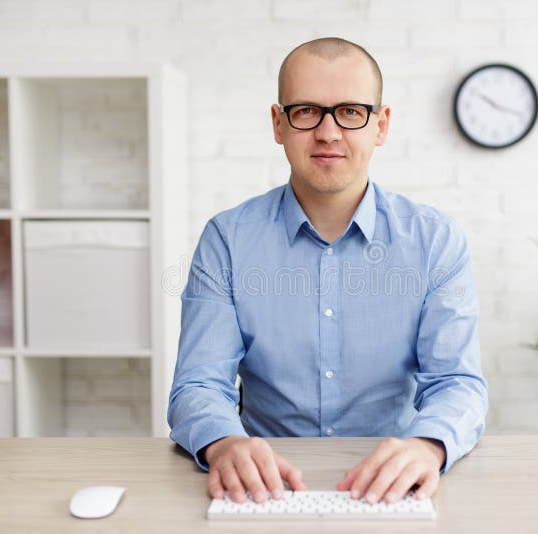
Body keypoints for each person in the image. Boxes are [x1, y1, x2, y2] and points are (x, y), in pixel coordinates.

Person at [168, 37, 488, 506]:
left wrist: (428, 445)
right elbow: (198, 385)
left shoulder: (434, 241)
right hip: (262, 489)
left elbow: (457, 383)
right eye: (306, 112)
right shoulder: (227, 240)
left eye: (351, 112)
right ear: (279, 124)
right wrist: (224, 444)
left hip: (393, 489)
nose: (328, 132)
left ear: (381, 125)